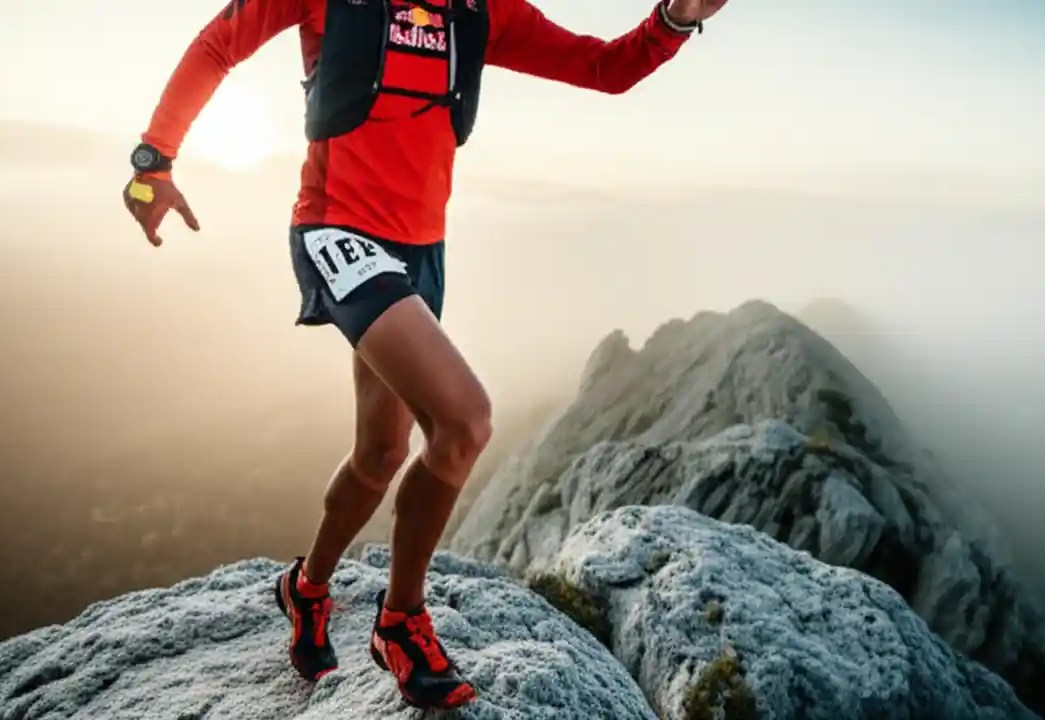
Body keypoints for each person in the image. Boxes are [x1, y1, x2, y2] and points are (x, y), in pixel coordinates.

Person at [122, 0, 731, 710]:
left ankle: (306, 588)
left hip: (420, 253)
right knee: (464, 421)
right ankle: (400, 622)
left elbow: (603, 67)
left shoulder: (480, 9)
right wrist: (154, 157)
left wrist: (674, 19)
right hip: (337, 231)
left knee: (381, 453)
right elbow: (220, 43)